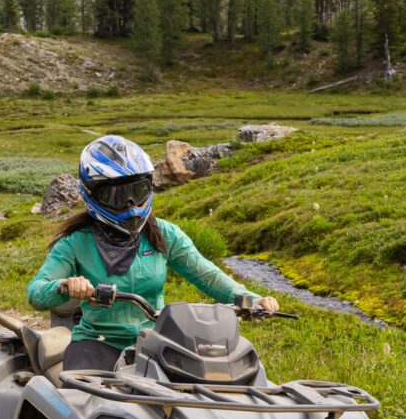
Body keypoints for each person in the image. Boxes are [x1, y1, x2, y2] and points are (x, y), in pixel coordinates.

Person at [28, 135, 278, 371]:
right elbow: (37, 293)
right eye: (116, 196)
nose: (131, 205)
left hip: (156, 342)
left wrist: (249, 299)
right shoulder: (75, 243)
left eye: (137, 192)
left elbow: (206, 274)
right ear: (92, 195)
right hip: (97, 342)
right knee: (83, 404)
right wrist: (63, 286)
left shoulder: (165, 234)